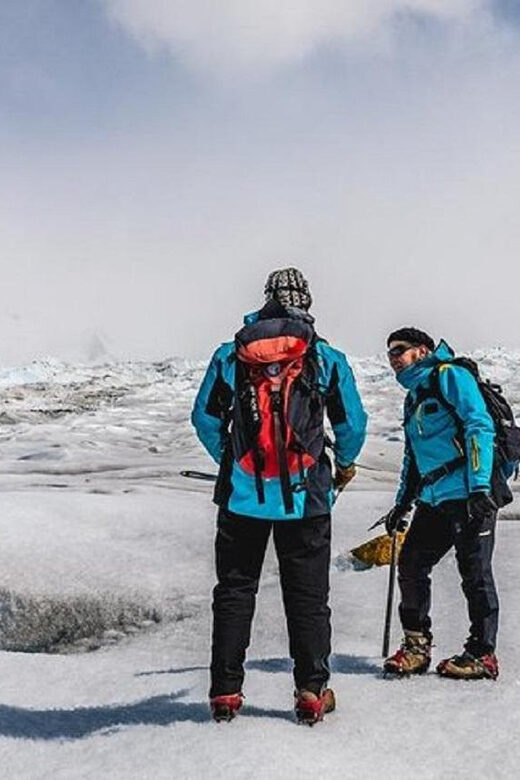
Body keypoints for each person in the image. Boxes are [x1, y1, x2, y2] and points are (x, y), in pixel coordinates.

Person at [192, 267, 367, 723]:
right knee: (308, 596)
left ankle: (225, 694)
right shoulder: (324, 357)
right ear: (307, 302)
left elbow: (205, 420)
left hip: (241, 498)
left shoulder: (231, 355)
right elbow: (352, 425)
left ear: (266, 300)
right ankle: (311, 692)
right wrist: (342, 466)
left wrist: (236, 464)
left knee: (235, 590)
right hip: (306, 496)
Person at [382, 327, 500, 680]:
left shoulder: (449, 376)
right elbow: (413, 457)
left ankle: (483, 653)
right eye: (389, 352)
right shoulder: (414, 396)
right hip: (434, 497)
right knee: (412, 563)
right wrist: (403, 502)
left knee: (475, 573)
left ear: (421, 350)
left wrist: (480, 487)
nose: (392, 358)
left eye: (398, 350)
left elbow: (479, 426)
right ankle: (417, 646)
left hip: (469, 492)